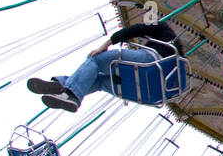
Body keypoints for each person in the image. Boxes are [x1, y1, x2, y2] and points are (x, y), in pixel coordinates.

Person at [27, 20, 183, 112]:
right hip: (155, 91)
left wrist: (105, 45)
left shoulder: (163, 29)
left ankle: (65, 88)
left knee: (96, 60)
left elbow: (135, 29)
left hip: (152, 62)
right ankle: (65, 90)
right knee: (100, 81)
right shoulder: (179, 58)